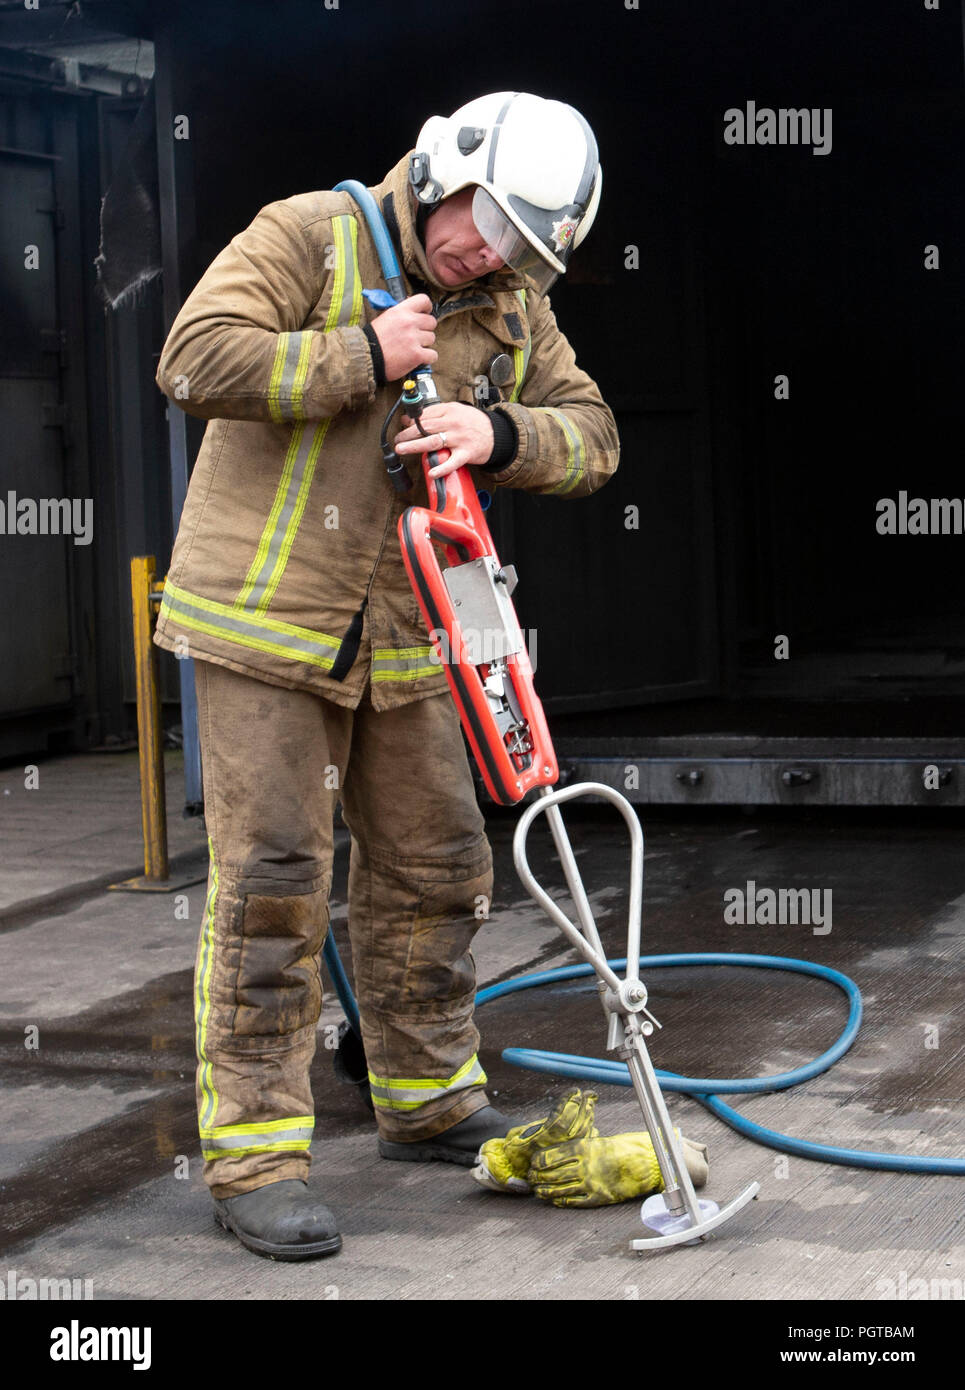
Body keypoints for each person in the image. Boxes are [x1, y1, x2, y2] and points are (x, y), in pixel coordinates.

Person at [154, 91, 620, 1261]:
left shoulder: (509, 305)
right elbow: (192, 357)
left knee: (438, 864)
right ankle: (257, 1155)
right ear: (444, 164)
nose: (491, 252)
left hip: (414, 626)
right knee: (273, 880)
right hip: (264, 624)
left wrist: (495, 435)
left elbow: (595, 435)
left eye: (520, 243)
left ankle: (428, 1097)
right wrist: (362, 353)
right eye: (487, 224)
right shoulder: (309, 233)